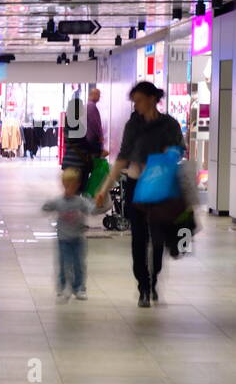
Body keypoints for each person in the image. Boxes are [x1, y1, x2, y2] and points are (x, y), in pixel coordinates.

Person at [95, 80, 184, 307]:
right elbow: (122, 158)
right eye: (134, 102)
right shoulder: (132, 126)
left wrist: (166, 157)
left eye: (139, 101)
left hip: (162, 188)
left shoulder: (169, 125)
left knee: (158, 239)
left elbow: (178, 151)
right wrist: (104, 188)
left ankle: (154, 280)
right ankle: (143, 286)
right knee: (138, 238)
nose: (136, 106)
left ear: (152, 99)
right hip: (136, 187)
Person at [42, 168, 98, 301]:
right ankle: (61, 288)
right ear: (63, 185)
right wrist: (47, 206)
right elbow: (47, 207)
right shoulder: (59, 201)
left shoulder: (80, 201)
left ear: (77, 185)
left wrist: (96, 202)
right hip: (63, 240)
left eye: (72, 186)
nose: (69, 188)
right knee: (63, 264)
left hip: (78, 239)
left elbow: (92, 210)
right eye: (67, 186)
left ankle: (79, 288)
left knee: (79, 264)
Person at [62, 88, 108, 192]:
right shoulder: (79, 127)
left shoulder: (67, 126)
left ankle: (70, 207)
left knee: (70, 193)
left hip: (68, 163)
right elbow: (85, 143)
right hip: (79, 164)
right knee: (79, 192)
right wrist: (99, 151)